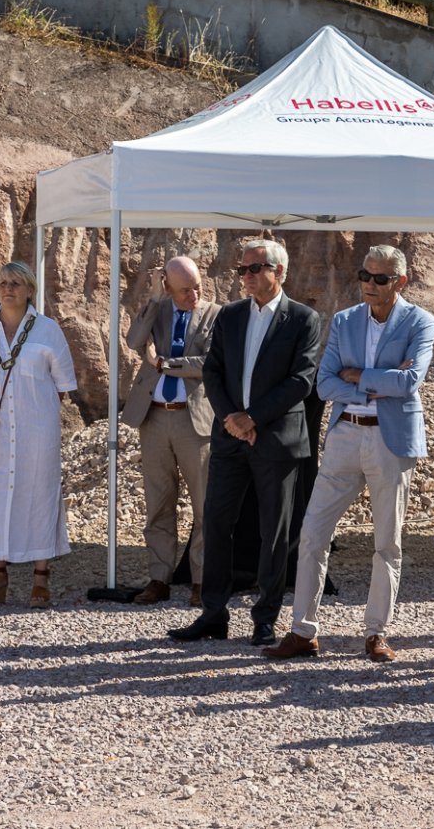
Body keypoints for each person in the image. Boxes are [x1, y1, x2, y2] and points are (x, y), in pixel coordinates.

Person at [264, 245, 434, 663]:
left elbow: (411, 381)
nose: (370, 285)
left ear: (401, 281)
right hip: (345, 435)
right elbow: (324, 384)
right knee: (312, 533)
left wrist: (358, 376)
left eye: (380, 279)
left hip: (390, 441)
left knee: (387, 542)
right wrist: (377, 382)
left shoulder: (420, 321)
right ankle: (303, 631)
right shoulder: (344, 320)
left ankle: (377, 632)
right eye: (365, 275)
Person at [168, 239, 321, 646]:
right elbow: (213, 371)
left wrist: (252, 418)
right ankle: (213, 613)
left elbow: (301, 381)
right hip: (230, 438)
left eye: (256, 268)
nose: (247, 276)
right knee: (216, 523)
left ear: (280, 271)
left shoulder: (304, 319)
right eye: (243, 269)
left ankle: (265, 618)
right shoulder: (231, 316)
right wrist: (232, 419)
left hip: (277, 441)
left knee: (274, 532)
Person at [0, 261, 77, 608]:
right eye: (3, 282)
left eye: (16, 283)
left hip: (35, 431)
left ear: (29, 290)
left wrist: (34, 411)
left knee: (37, 494)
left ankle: (41, 579)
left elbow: (62, 384)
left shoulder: (48, 331)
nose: (8, 288)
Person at [122, 256, 220, 608]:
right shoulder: (159, 309)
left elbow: (210, 363)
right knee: (158, 502)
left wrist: (163, 364)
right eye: (184, 290)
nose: (194, 294)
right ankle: (159, 577)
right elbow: (134, 341)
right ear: (168, 286)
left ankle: (200, 580)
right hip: (154, 418)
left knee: (203, 505)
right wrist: (153, 299)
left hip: (194, 421)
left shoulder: (214, 314)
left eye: (197, 287)